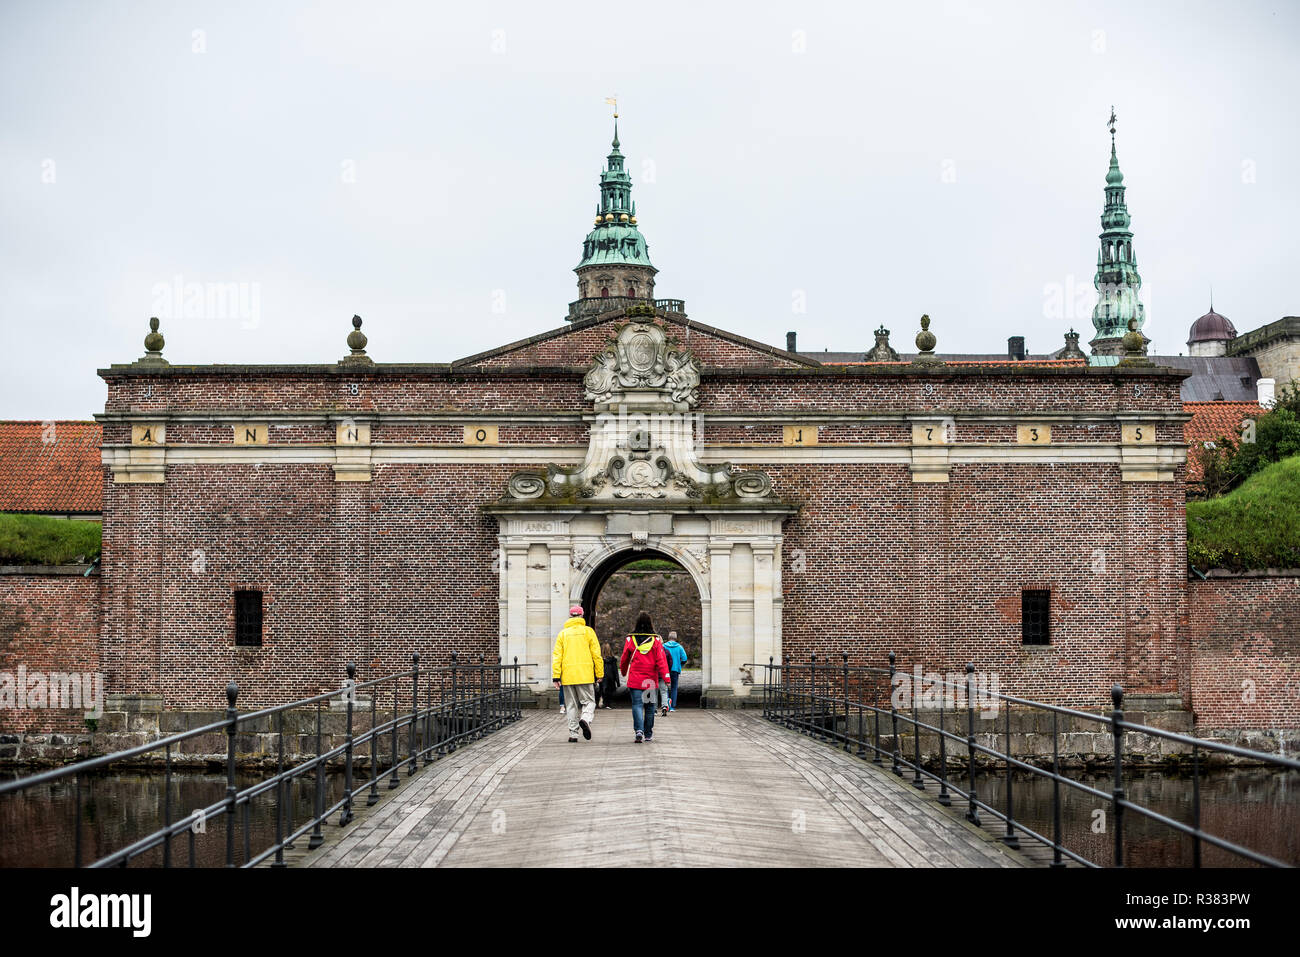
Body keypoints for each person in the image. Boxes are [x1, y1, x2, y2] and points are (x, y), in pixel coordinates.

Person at [552, 604, 603, 742]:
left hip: (567, 676)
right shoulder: (588, 632)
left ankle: (573, 734)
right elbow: (596, 654)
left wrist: (556, 676)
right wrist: (599, 673)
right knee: (589, 702)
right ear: (582, 616)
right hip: (585, 674)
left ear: (570, 616)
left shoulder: (562, 634)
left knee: (571, 705)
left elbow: (557, 656)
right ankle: (585, 719)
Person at [618, 612, 669, 743]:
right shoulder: (656, 640)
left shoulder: (630, 639)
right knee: (650, 707)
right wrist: (666, 678)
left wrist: (623, 671)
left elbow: (624, 658)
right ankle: (648, 733)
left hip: (635, 679)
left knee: (637, 705)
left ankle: (639, 730)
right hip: (650, 680)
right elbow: (661, 661)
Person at [662, 631, 689, 712]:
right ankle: (672, 706)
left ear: (668, 637)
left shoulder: (663, 646)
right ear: (676, 638)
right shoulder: (679, 647)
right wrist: (679, 665)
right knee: (674, 688)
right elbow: (684, 658)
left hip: (666, 669)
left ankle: (666, 704)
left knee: (665, 688)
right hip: (675, 669)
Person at [599, 641, 619, 709]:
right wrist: (618, 681)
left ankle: (604, 702)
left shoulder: (600, 660)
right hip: (611, 678)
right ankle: (608, 704)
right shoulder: (613, 660)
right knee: (610, 690)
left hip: (603, 677)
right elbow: (615, 671)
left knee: (603, 690)